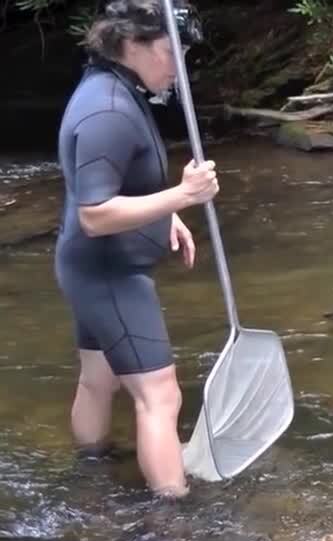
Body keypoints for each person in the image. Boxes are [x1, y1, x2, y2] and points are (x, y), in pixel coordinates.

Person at [54, 0, 217, 497]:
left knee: (98, 379)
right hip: (110, 272)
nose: (178, 68)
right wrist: (183, 196)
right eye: (171, 53)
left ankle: (92, 472)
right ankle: (172, 513)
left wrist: (165, 213)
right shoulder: (108, 112)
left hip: (88, 266)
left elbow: (117, 183)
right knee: (160, 397)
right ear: (131, 45)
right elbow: (95, 213)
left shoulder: (112, 89)